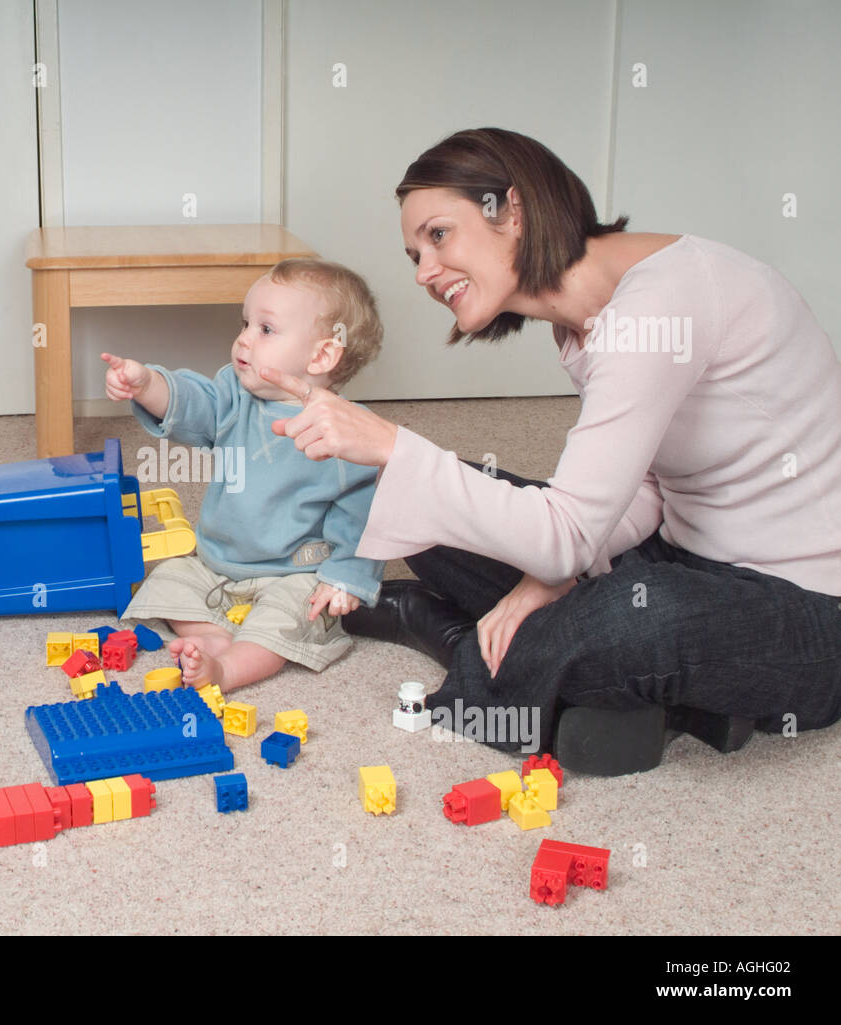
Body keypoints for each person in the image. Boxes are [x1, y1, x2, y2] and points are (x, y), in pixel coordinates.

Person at [260, 127, 841, 774]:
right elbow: (642, 490)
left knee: (633, 614)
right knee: (428, 503)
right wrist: (547, 577)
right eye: (413, 253)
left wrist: (394, 444)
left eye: (438, 235)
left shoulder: (658, 308)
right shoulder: (580, 321)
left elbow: (567, 534)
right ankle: (628, 691)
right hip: (679, 554)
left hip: (804, 609)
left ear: (511, 210)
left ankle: (455, 641)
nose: (424, 271)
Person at [103, 258, 385, 692]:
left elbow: (364, 517)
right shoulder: (234, 394)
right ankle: (216, 640)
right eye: (245, 323)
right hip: (217, 562)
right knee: (166, 579)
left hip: (293, 573)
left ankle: (229, 669)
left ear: (322, 355)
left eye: (265, 330)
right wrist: (147, 385)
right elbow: (194, 404)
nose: (243, 339)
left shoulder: (347, 432)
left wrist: (346, 578)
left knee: (294, 618)